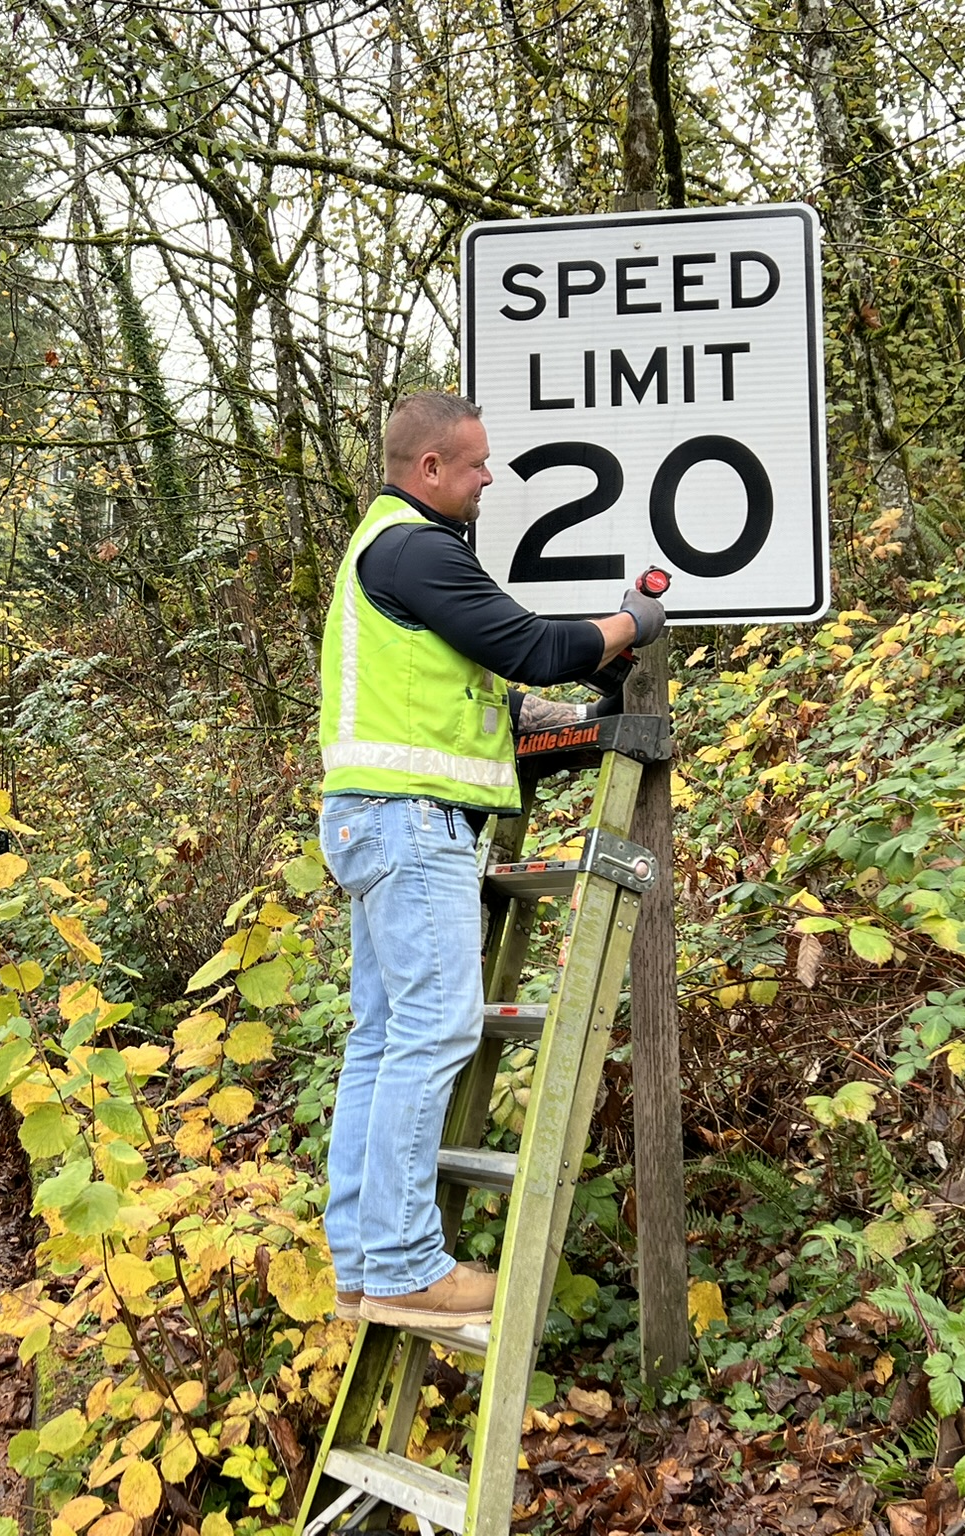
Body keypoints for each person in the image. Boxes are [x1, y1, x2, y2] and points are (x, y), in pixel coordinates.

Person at [316, 391, 666, 1328]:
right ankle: (400, 1265)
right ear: (428, 468)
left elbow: (467, 686)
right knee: (431, 1033)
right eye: (474, 463)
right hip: (410, 826)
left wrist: (545, 716)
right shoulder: (417, 548)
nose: (489, 477)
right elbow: (528, 645)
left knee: (384, 1040)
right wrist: (628, 624)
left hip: (375, 823)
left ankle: (360, 1261)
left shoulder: (382, 554)